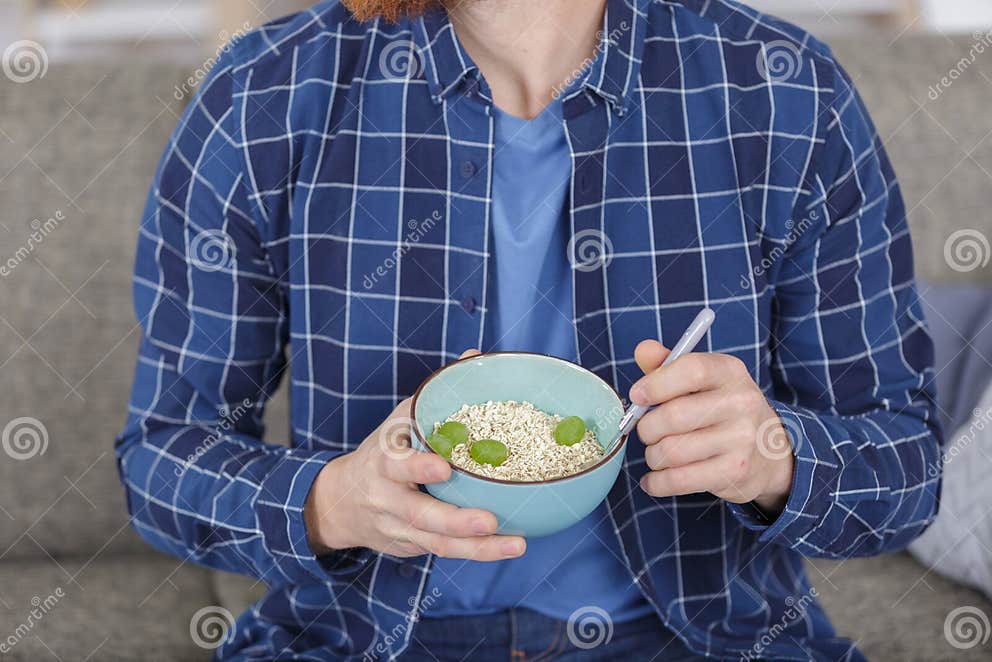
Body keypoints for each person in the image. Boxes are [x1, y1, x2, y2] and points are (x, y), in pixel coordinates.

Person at [115, 0, 943, 659]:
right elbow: (160, 458)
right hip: (359, 639)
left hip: (707, 637)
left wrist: (777, 457)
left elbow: (907, 468)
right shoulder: (261, 94)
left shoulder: (786, 91)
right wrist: (331, 503)